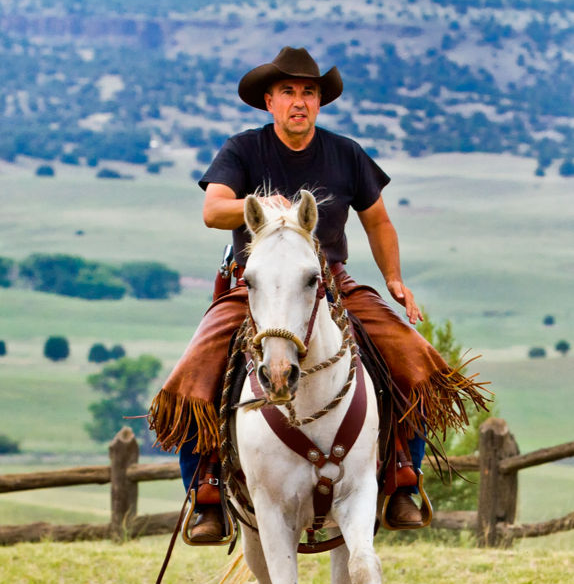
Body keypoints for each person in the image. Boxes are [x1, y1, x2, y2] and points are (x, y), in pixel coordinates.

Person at [149, 47, 487, 542]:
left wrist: (394, 278)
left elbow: (379, 220)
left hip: (330, 281)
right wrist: (260, 203)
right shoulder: (243, 150)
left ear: (320, 102)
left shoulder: (345, 153)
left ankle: (400, 478)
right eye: (288, 91)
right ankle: (208, 492)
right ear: (270, 101)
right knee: (195, 374)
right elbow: (213, 209)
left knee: (414, 361)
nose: (300, 101)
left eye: (309, 92)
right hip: (256, 284)